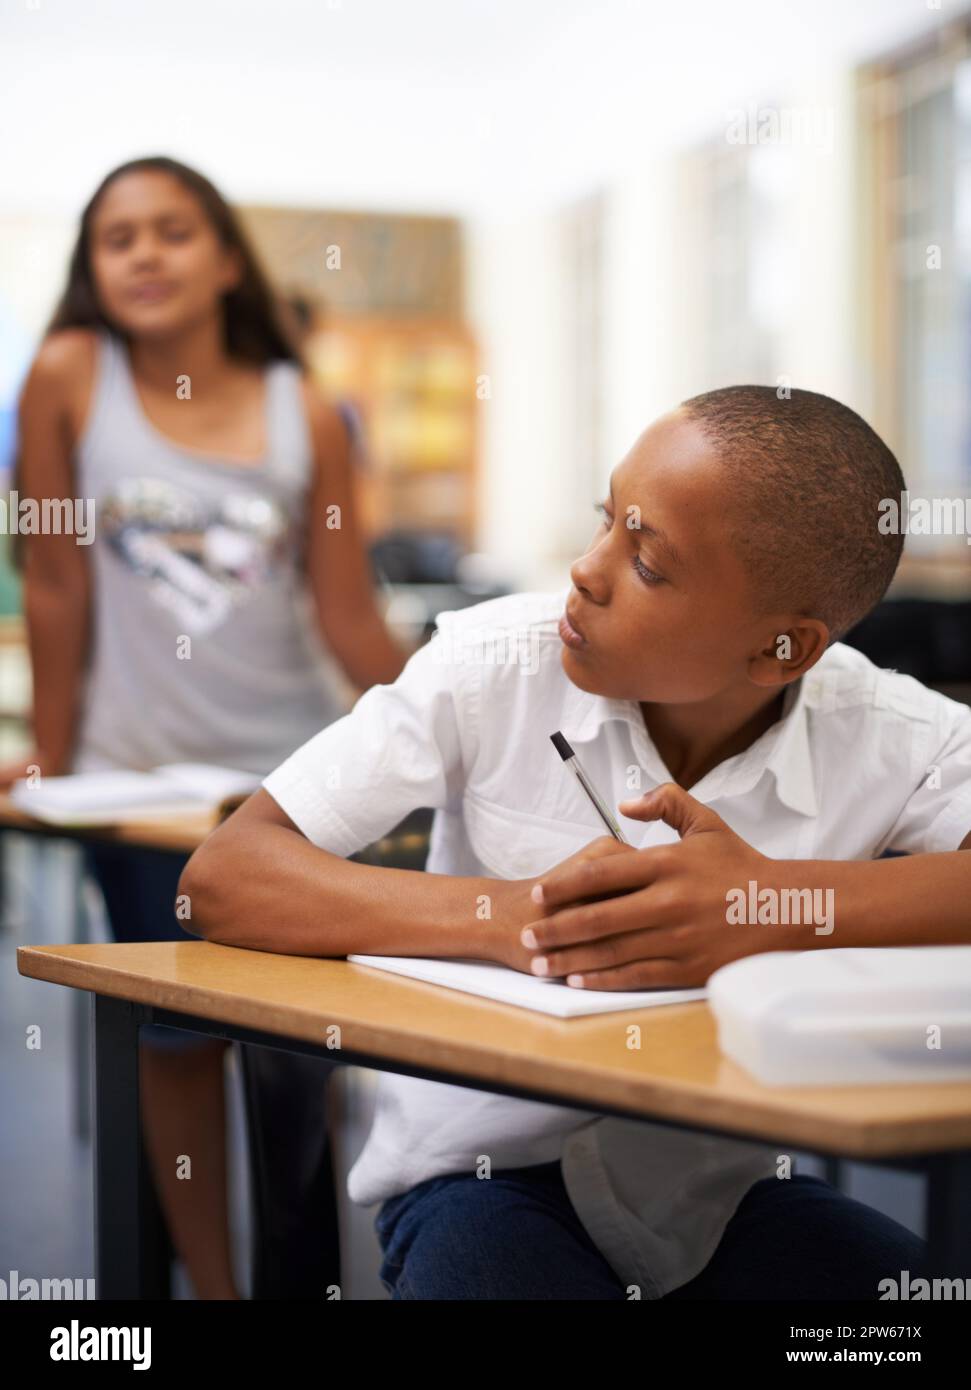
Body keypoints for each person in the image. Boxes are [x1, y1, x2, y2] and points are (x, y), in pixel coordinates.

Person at [178, 386, 969, 1299]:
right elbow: (223, 877)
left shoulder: (890, 730)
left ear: (782, 650)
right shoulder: (489, 666)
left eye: (648, 566)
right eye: (605, 521)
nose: (585, 573)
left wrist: (774, 907)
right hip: (478, 1182)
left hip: (714, 1202)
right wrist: (509, 917)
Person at [3, 155, 409, 1299]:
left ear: (227, 258)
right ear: (92, 267)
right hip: (137, 784)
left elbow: (344, 612)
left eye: (171, 230)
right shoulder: (68, 376)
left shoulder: (308, 410)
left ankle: (297, 1279)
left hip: (292, 781)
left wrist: (449, 711)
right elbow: (56, 581)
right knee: (174, 1040)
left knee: (295, 1054)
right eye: (114, 236)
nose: (142, 253)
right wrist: (56, 750)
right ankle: (216, 1292)